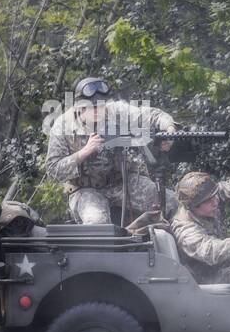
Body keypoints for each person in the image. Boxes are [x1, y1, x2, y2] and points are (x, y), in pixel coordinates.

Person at [44, 77, 178, 224]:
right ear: (78, 106)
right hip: (85, 190)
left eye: (101, 105)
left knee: (171, 202)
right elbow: (53, 171)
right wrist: (84, 152)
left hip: (121, 182)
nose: (97, 110)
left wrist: (169, 129)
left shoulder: (116, 111)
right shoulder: (63, 126)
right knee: (96, 223)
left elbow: (153, 116)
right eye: (91, 107)